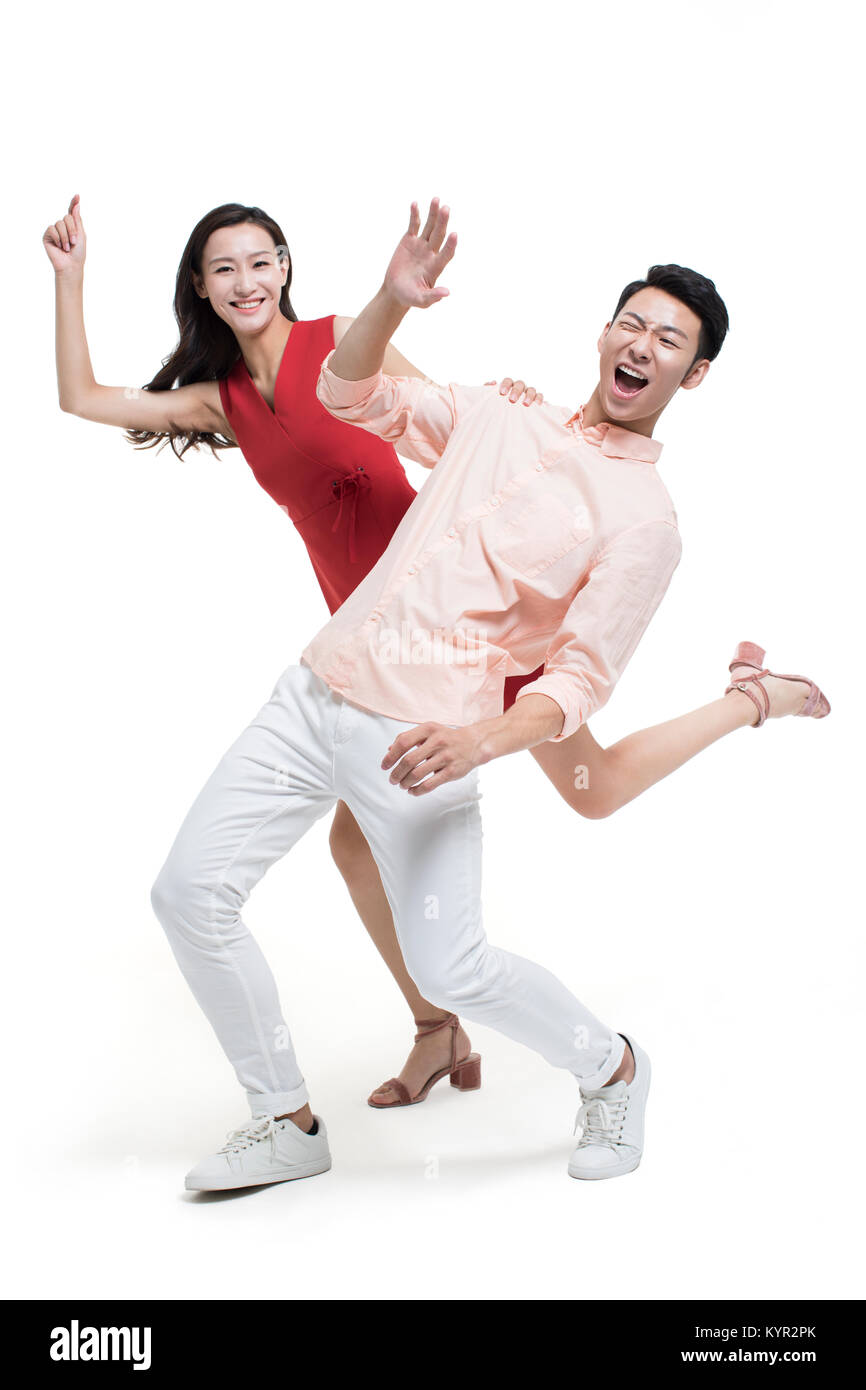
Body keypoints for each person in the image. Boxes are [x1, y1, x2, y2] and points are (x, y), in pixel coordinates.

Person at [141, 196, 826, 1189]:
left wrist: (481, 740)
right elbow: (348, 392)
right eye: (630, 323)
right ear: (603, 335)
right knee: (187, 894)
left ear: (694, 373)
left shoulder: (645, 521)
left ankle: (614, 1067)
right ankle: (284, 1119)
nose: (641, 345)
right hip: (315, 691)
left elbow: (581, 677)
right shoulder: (500, 410)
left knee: (452, 964)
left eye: (668, 340)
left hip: (423, 739)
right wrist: (391, 299)